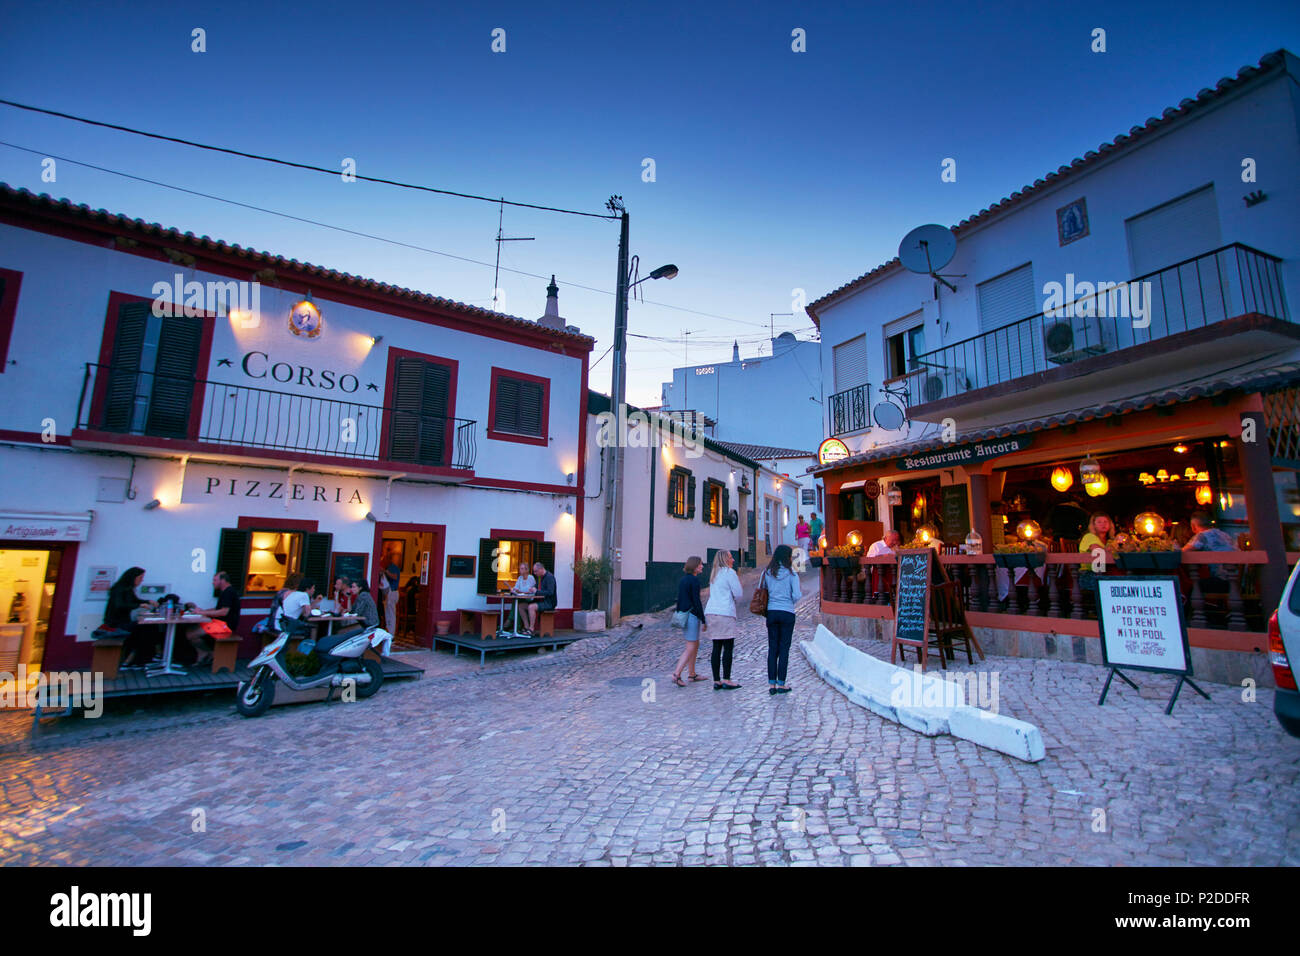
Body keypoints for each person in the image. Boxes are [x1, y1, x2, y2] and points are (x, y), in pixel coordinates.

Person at [703, 550, 744, 690]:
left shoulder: (714, 573)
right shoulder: (729, 573)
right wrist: (733, 600)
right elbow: (738, 593)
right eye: (731, 558)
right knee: (728, 647)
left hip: (712, 612)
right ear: (726, 560)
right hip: (724, 612)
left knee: (716, 646)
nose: (733, 560)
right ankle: (727, 679)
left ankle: (717, 680)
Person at [763, 545, 802, 694]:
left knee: (773, 648)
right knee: (784, 648)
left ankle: (771, 684)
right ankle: (781, 684)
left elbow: (763, 589)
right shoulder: (792, 575)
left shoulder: (767, 572)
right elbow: (797, 595)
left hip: (772, 612)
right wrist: (788, 600)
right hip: (787, 612)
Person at [185, 572, 242, 666]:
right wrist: (203, 611)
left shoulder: (228, 592)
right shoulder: (226, 591)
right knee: (190, 631)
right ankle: (205, 653)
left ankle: (207, 653)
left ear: (222, 580)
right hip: (220, 624)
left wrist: (202, 613)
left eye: (215, 580)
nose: (213, 582)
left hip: (225, 626)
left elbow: (223, 612)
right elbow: (217, 609)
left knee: (191, 634)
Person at [107, 567, 157, 669]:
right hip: (116, 624)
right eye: (140, 578)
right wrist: (140, 605)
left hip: (123, 622)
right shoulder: (119, 589)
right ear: (132, 577)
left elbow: (135, 600)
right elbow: (119, 605)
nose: (142, 580)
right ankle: (136, 660)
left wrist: (148, 601)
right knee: (147, 630)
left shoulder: (128, 589)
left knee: (149, 628)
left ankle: (137, 659)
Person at [671, 556, 708, 686]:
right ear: (695, 566)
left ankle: (692, 674)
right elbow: (696, 601)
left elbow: (680, 599)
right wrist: (703, 620)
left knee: (695, 644)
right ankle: (677, 674)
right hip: (692, 615)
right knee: (690, 647)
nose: (702, 566)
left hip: (685, 615)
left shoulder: (683, 580)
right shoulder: (694, 581)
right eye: (700, 564)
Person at [1183, 511, 1237, 594]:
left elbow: (1184, 552)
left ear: (1193, 526)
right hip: (1237, 579)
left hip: (1223, 580)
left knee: (1192, 588)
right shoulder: (1224, 534)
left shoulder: (1203, 536)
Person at [1077, 512, 1114, 594]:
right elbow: (1097, 550)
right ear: (1093, 525)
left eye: (1105, 522)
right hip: (1089, 575)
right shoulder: (1089, 536)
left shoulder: (1110, 541)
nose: (1103, 524)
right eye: (1099, 522)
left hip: (1104, 573)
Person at [525, 561, 557, 635]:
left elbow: (550, 592)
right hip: (541, 600)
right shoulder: (540, 578)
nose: (535, 573)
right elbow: (537, 588)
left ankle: (531, 629)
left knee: (531, 607)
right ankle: (526, 627)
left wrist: (536, 592)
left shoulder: (549, 577)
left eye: (536, 571)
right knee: (522, 606)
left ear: (541, 569)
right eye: (534, 571)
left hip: (549, 602)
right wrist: (532, 589)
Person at [381, 562, 401, 635]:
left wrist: (385, 571)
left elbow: (395, 576)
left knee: (390, 614)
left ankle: (390, 634)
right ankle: (388, 632)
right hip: (390, 592)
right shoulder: (390, 567)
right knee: (388, 614)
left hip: (392, 592)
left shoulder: (393, 567)